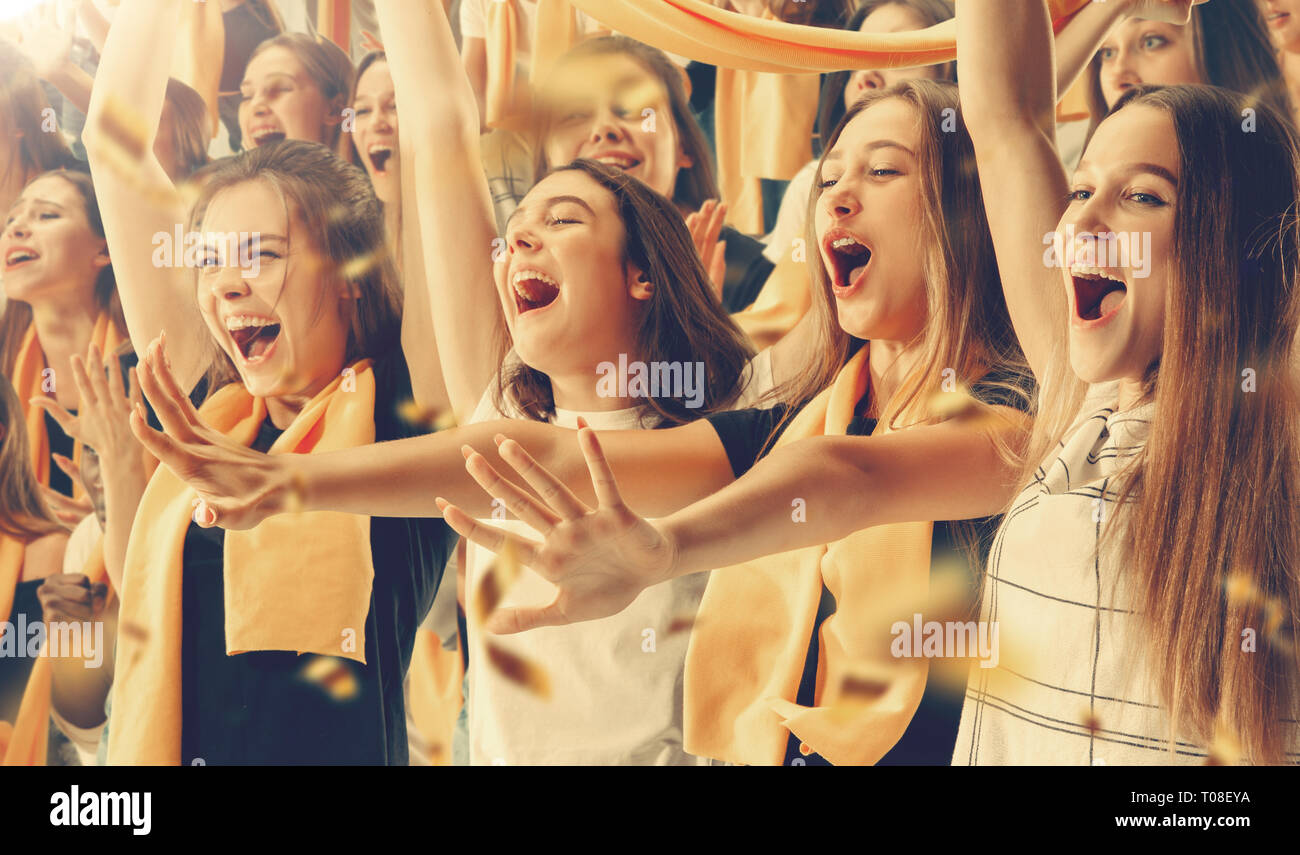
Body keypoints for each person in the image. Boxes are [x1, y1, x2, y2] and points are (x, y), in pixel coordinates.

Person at [947, 0, 1299, 764]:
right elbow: (1003, 115)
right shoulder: (1083, 406)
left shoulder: (1282, 445)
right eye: (1079, 191)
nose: (1077, 225)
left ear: (1231, 243)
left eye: (1142, 196)